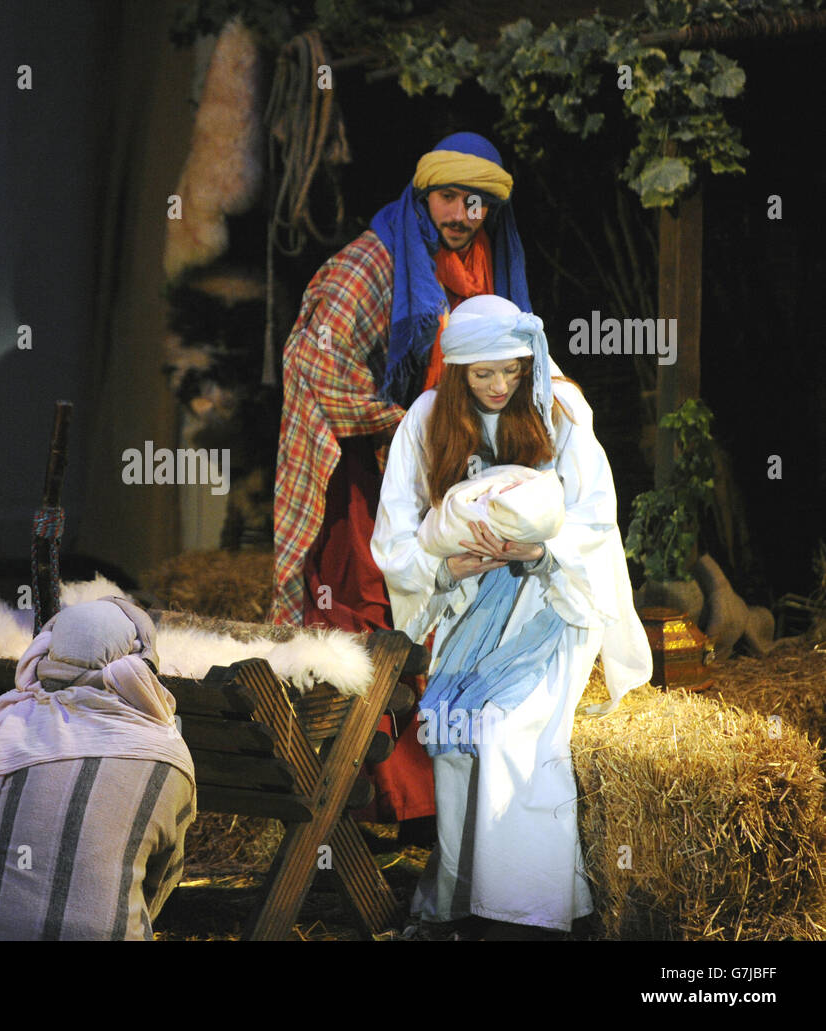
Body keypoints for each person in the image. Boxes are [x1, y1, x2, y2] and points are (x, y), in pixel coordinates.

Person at [370, 294, 651, 937]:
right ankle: (468, 899)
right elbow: (395, 533)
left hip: (550, 600)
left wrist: (541, 550)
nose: (500, 386)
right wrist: (446, 567)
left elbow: (596, 515)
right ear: (457, 372)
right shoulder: (427, 418)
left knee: (508, 728)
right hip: (471, 599)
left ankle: (526, 911)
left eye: (511, 371)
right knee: (451, 727)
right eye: (483, 374)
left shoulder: (558, 406)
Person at [272, 131, 530, 828]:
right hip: (362, 469)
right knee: (365, 615)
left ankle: (424, 807)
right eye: (450, 197)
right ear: (424, 194)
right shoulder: (375, 260)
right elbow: (313, 358)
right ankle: (357, 808)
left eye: (477, 203)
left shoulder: (483, 263)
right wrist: (403, 424)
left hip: (430, 476)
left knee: (436, 613)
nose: (464, 214)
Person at [0, 597, 195, 940]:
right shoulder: (166, 752)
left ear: (49, 651)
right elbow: (163, 875)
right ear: (142, 658)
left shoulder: (2, 725)